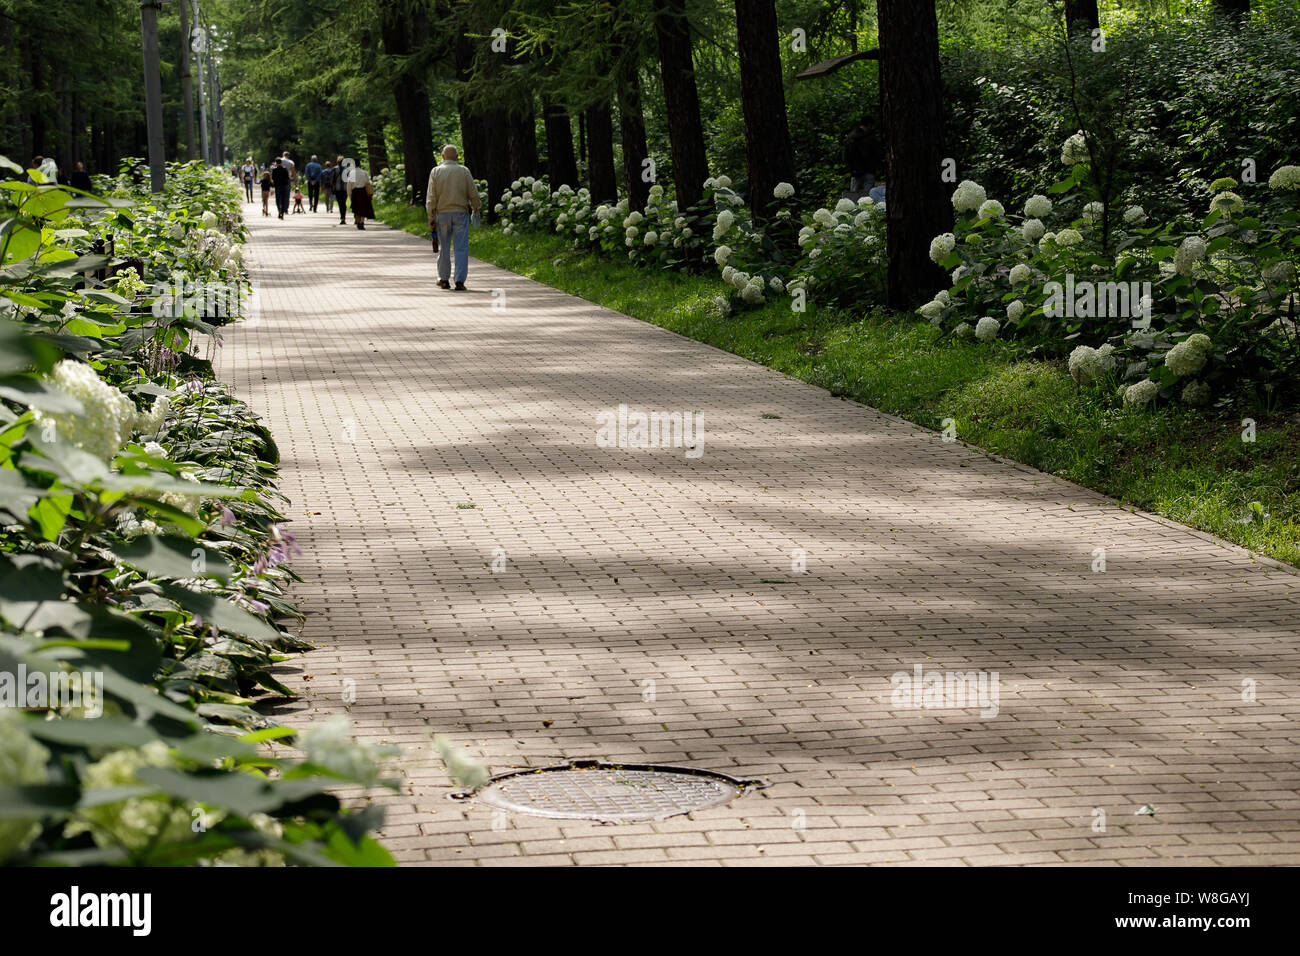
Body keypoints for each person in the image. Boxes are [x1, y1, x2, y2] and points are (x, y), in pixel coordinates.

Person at [425, 145, 482, 291]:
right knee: (461, 248)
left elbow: (431, 196)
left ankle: (443, 279)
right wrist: (476, 208)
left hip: (442, 214)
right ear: (457, 157)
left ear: (443, 157)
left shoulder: (436, 171)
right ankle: (459, 281)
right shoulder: (464, 171)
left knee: (444, 247)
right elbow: (473, 192)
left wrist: (431, 215)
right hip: (460, 214)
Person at [844, 115, 883, 195]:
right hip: (869, 170)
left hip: (855, 170)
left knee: (853, 196)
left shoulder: (851, 137)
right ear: (869, 125)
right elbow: (878, 153)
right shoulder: (871, 137)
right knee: (868, 196)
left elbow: (846, 155)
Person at [346, 159, 374, 230]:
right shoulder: (364, 172)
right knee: (363, 207)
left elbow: (349, 185)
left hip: (355, 192)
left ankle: (358, 222)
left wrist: (349, 195)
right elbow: (368, 183)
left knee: (356, 208)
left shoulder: (351, 173)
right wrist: (370, 194)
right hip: (363, 191)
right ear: (359, 164)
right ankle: (362, 222)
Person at [333, 155, 350, 225]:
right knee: (344, 203)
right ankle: (344, 217)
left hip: (337, 189)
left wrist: (333, 187)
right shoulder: (347, 170)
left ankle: (342, 217)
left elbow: (332, 180)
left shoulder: (334, 169)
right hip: (345, 189)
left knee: (340, 203)